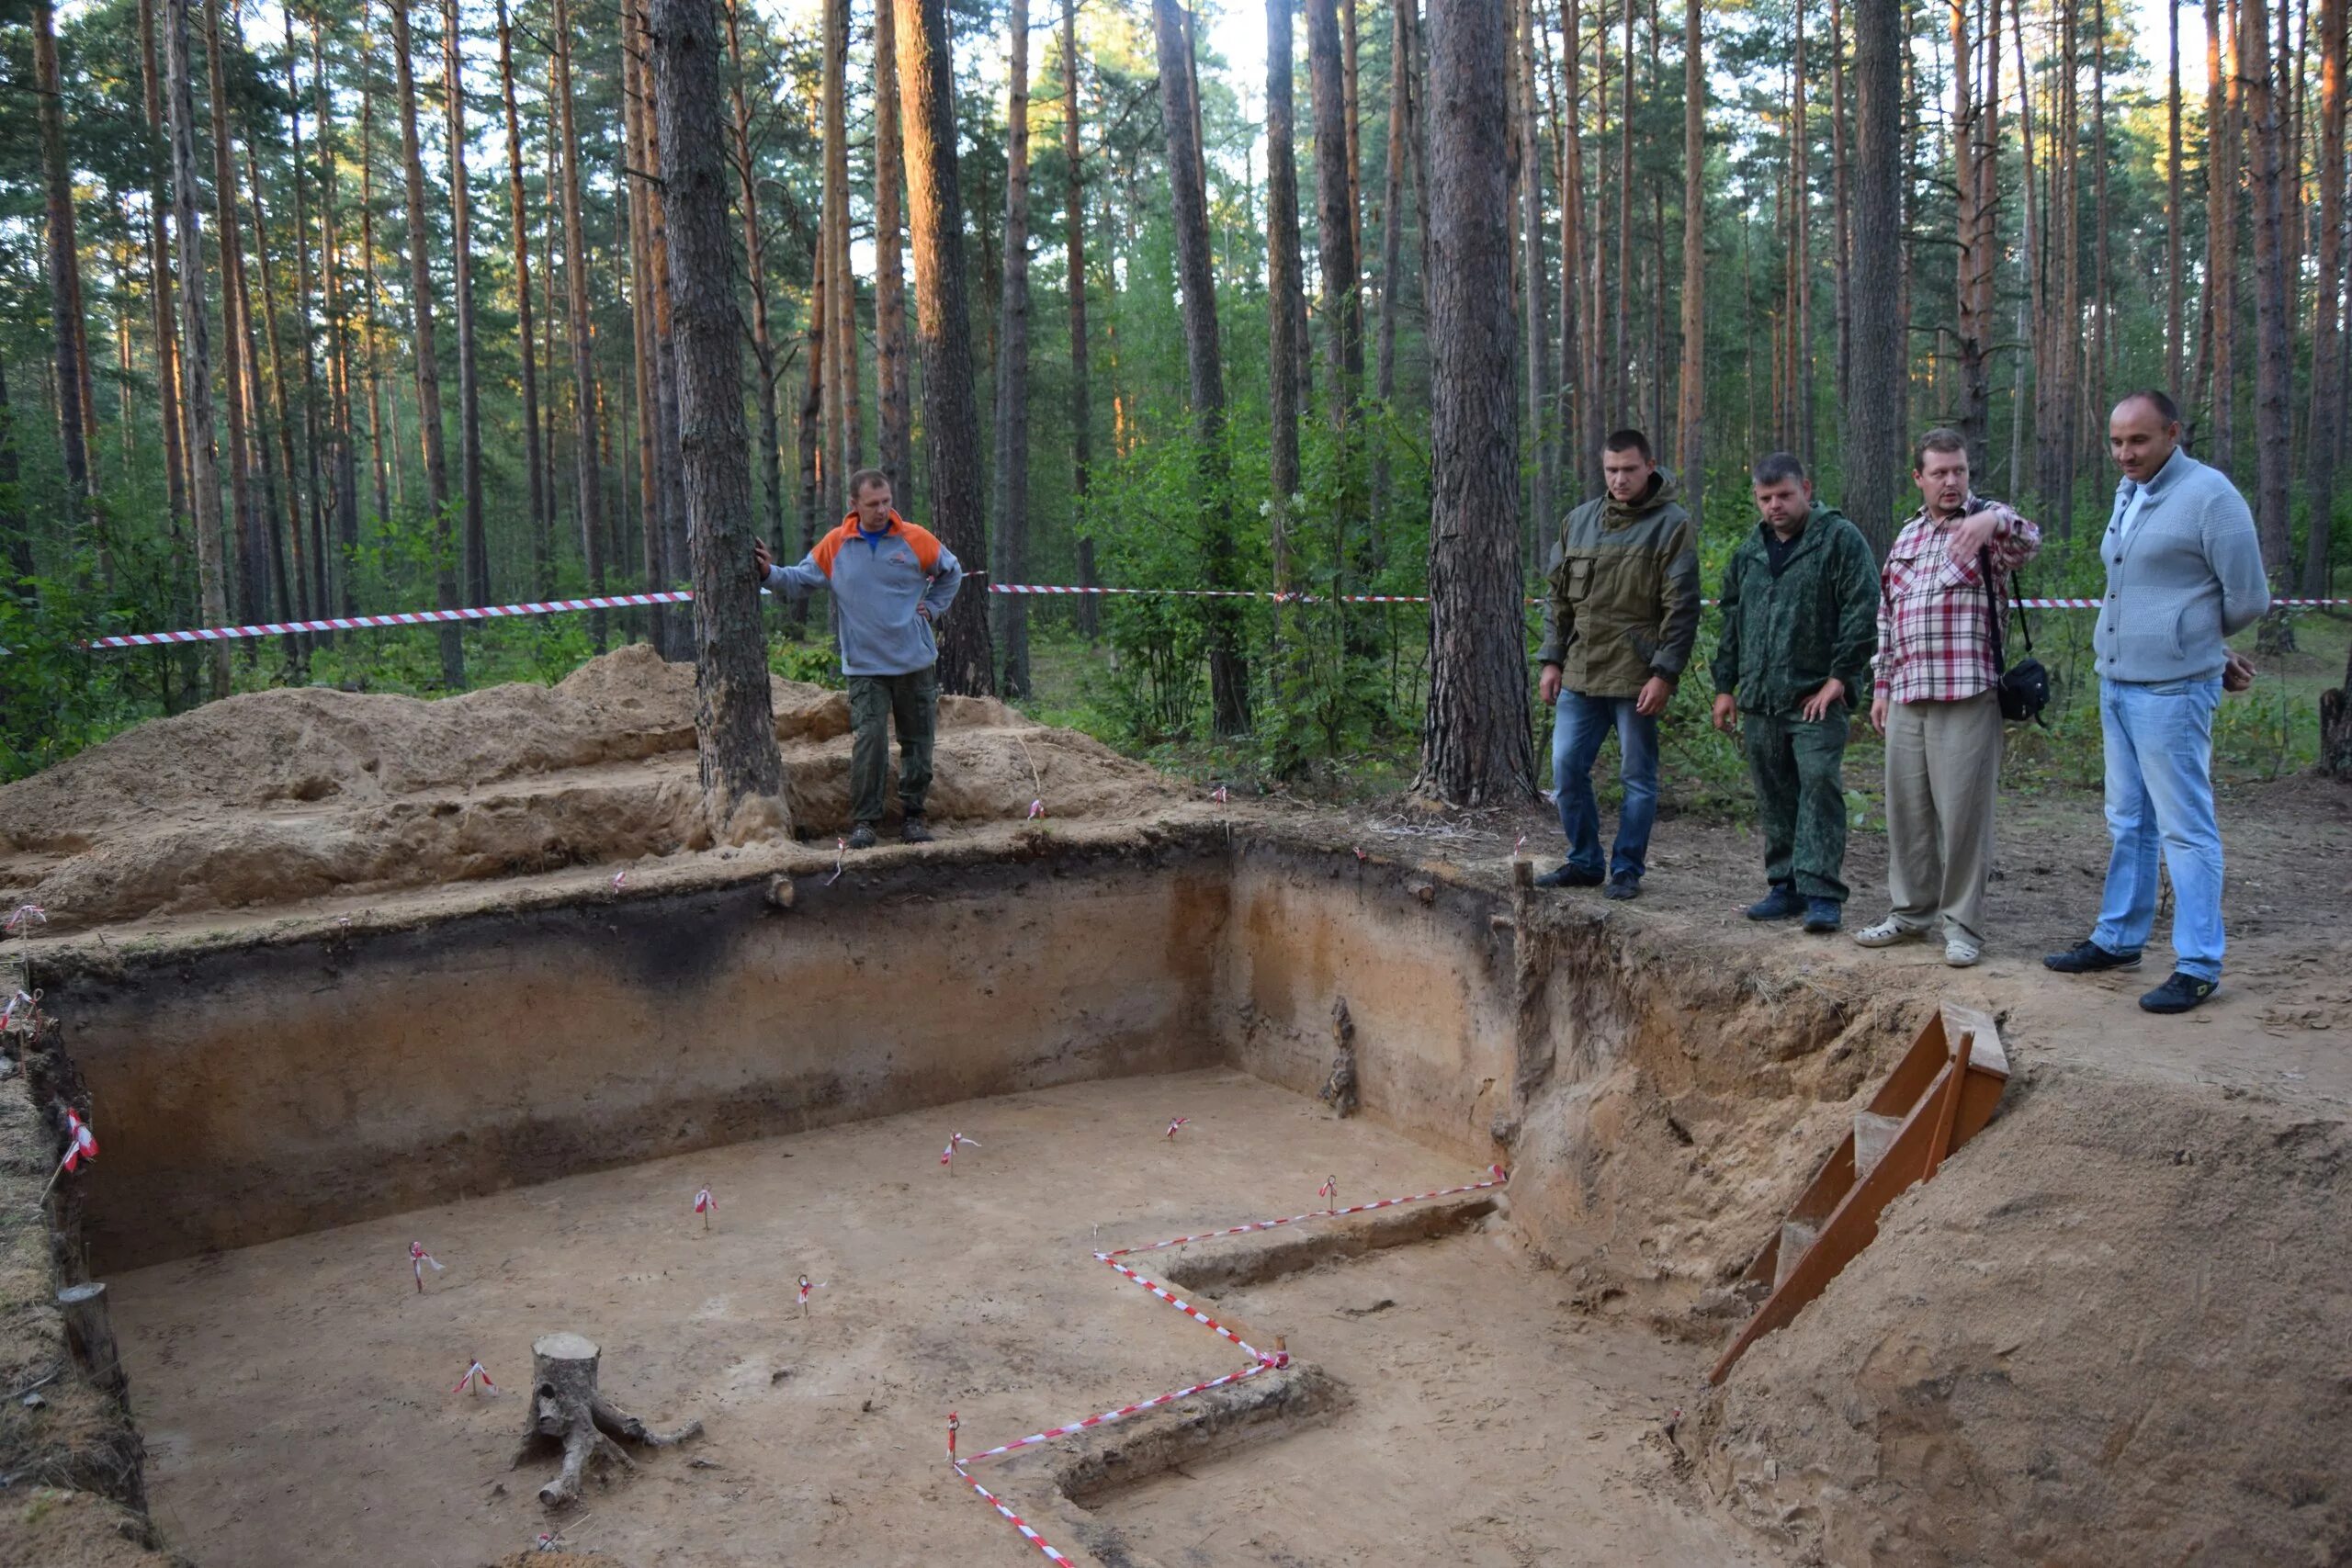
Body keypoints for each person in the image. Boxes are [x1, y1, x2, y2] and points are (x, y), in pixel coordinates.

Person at [2044, 391, 2267, 1013]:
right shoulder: (2130, 492)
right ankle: (2119, 937)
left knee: (2185, 829)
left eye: (2138, 441)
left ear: (2172, 432)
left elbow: (2247, 596)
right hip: (2116, 683)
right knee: (2129, 823)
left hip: (2172, 692)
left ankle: (2198, 962)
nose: (2125, 453)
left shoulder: (2212, 497)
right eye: (2116, 441)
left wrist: (2197, 649)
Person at [1854, 430, 2042, 967]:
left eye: (1958, 471)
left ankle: (1962, 928)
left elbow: (2029, 541)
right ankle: (1911, 914)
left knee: (1963, 817)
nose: (1951, 481)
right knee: (1907, 813)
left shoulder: (1989, 525)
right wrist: (1882, 687)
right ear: (1920, 478)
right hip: (1908, 696)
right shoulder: (1907, 537)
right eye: (1939, 473)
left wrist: (1993, 521)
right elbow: (1887, 617)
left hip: (1968, 692)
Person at [1710, 453, 1879, 934]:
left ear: (1805, 488)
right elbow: (1731, 621)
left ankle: (1822, 892)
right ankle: (1784, 885)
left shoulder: (1838, 540)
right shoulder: (1750, 552)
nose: (1775, 506)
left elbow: (1862, 609)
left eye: (1784, 495)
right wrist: (1725, 687)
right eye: (1765, 499)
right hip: (1761, 698)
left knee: (1819, 785)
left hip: (1815, 697)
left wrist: (1839, 678)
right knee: (1774, 792)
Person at [1532, 429, 1702, 899]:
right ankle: (1584, 861)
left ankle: (1627, 868)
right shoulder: (1579, 522)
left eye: (1629, 469)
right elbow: (1558, 601)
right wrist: (1551, 660)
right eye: (1611, 470)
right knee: (1566, 770)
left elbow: (1682, 607)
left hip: (1637, 676)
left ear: (1650, 465)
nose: (1620, 479)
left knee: (1637, 779)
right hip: (1582, 672)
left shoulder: (1672, 525)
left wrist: (1664, 673)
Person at [754, 469, 964, 848]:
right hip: (865, 668)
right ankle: (865, 822)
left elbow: (952, 572)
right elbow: (799, 580)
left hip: (914, 663)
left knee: (918, 742)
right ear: (854, 505)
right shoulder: (836, 545)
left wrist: (932, 608)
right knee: (869, 742)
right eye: (873, 504)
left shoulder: (916, 539)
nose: (883, 510)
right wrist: (768, 573)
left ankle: (914, 817)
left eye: (887, 501)